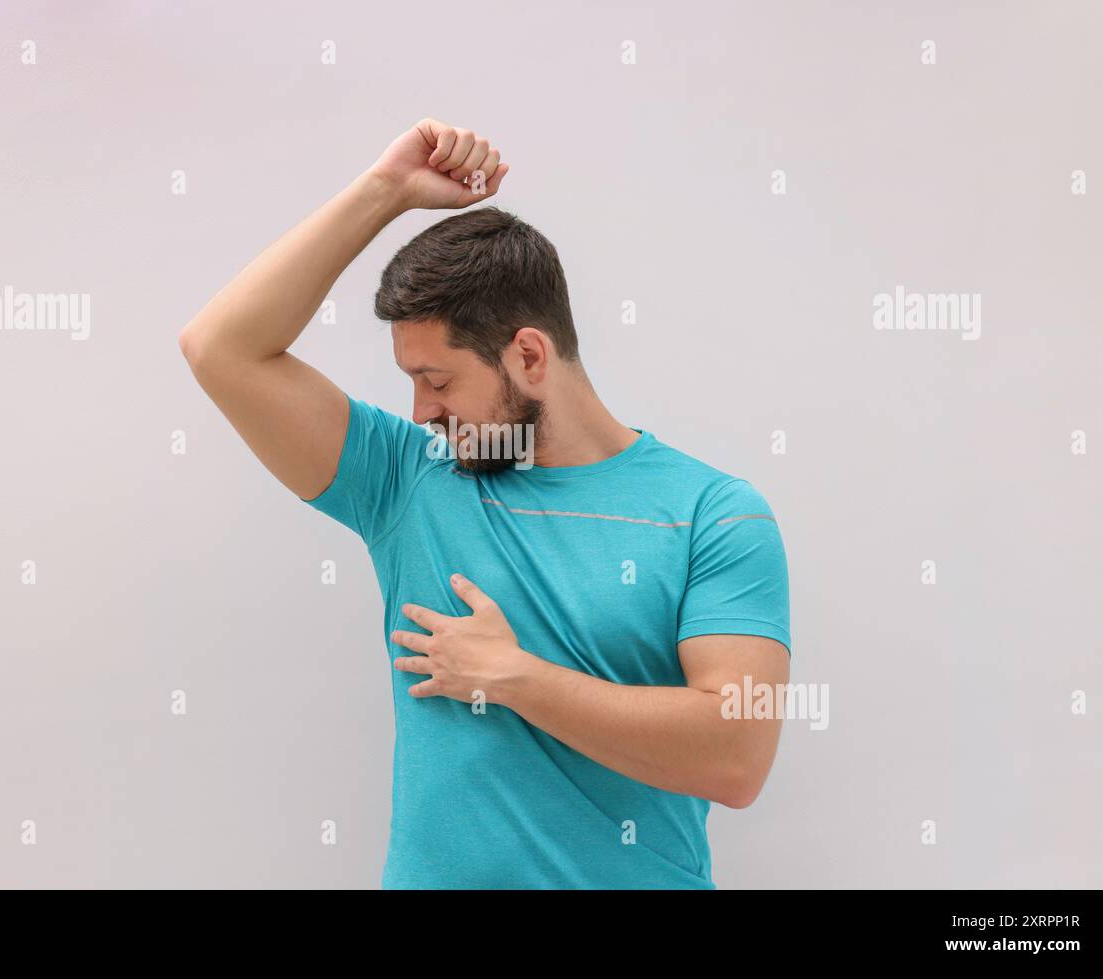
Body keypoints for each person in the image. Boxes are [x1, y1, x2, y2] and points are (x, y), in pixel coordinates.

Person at [179, 118, 791, 889]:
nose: (419, 412)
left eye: (437, 381)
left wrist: (512, 677)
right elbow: (220, 347)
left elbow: (737, 755)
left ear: (529, 355)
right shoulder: (409, 479)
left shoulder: (715, 513)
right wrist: (388, 191)